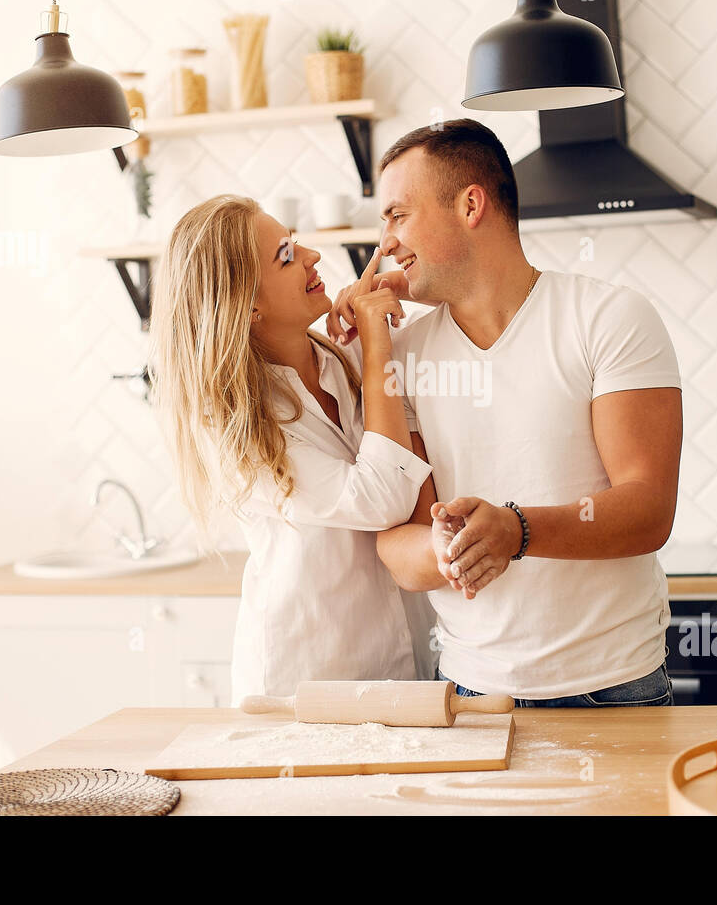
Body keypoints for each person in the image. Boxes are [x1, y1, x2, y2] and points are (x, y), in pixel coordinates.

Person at [328, 119, 684, 707]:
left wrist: (516, 531)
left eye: (397, 215)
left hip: (617, 688)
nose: (384, 243)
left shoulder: (607, 318)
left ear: (471, 205)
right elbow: (401, 548)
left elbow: (649, 510)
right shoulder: (401, 355)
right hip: (472, 694)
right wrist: (449, 551)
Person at [148, 194, 436, 703]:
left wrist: (387, 322)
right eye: (286, 255)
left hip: (408, 668)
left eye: (297, 243)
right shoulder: (234, 426)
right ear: (248, 304)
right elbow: (382, 498)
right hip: (304, 687)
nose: (313, 257)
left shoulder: (344, 358)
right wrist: (375, 349)